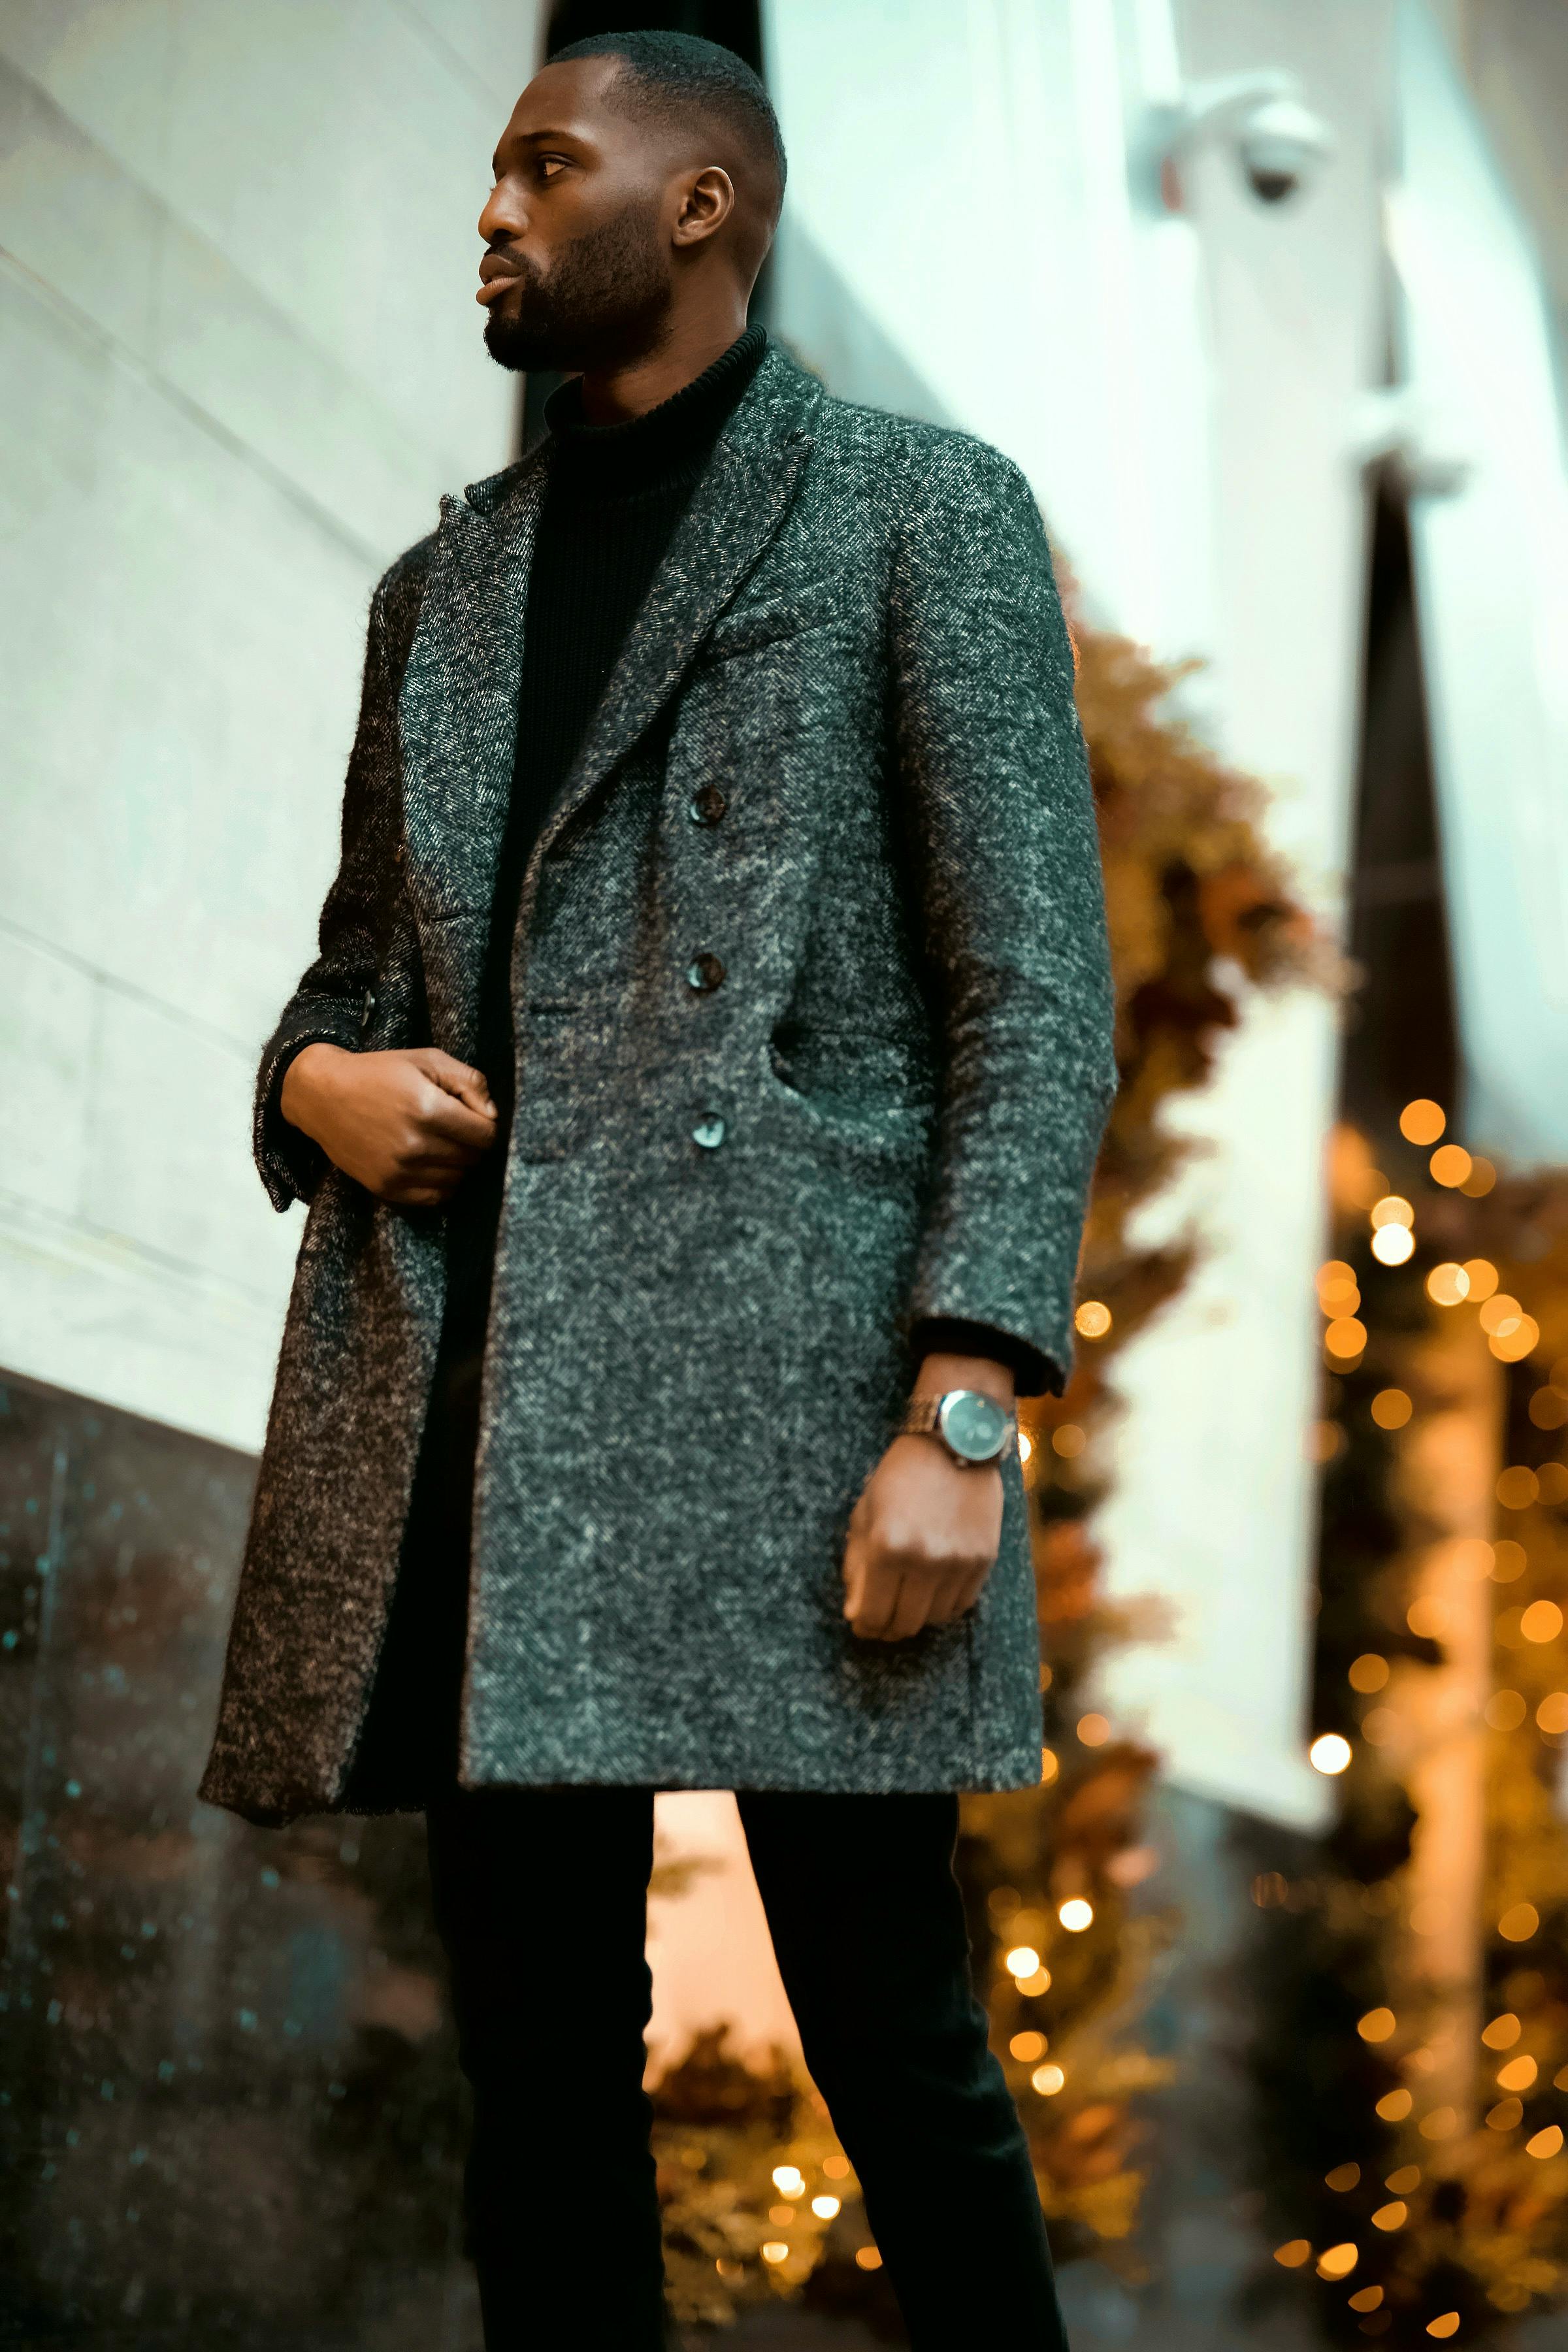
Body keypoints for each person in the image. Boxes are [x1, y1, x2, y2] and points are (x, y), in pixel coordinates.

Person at [200, 28, 1115, 2349]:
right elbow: (354, 965)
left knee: (897, 2042)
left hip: (802, 1403)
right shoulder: (448, 585)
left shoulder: (920, 507)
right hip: (475, 1401)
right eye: (496, 173)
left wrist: (965, 1409)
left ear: (699, 208)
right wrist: (316, 1083)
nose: (490, 214)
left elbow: (1030, 993)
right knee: (537, 2079)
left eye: (542, 166)